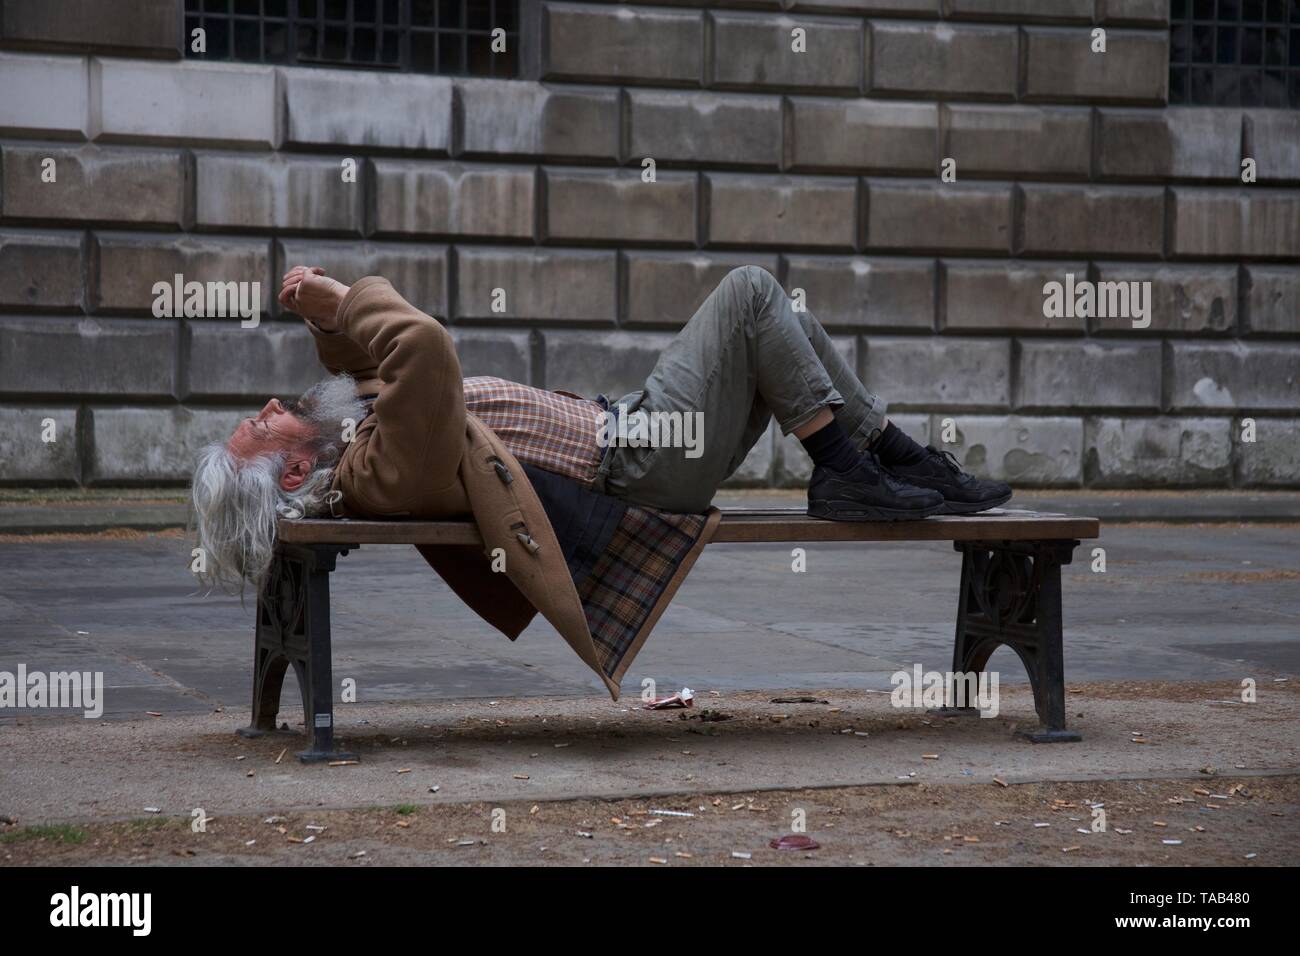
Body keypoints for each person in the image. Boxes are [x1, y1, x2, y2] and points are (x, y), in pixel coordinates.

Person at [192, 264, 1010, 697]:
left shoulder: (365, 447)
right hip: (639, 464)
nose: (269, 403)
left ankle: (895, 459)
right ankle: (846, 470)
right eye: (262, 425)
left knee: (784, 321)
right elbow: (423, 349)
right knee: (753, 292)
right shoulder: (375, 471)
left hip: (639, 433)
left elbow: (377, 363)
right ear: (293, 470)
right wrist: (345, 305)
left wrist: (325, 318)